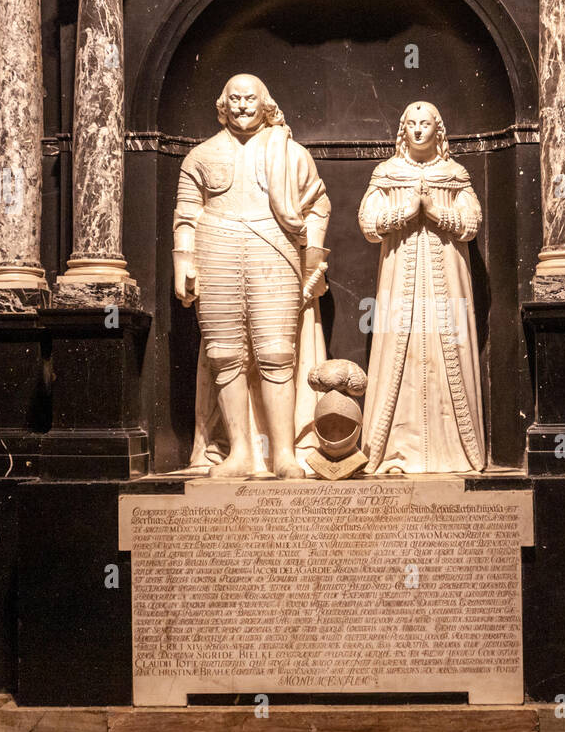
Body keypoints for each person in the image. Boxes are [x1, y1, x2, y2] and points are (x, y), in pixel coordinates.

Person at [173, 73, 330, 478]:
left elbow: (318, 204)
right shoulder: (200, 156)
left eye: (250, 98)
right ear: (223, 104)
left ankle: (282, 453)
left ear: (265, 103)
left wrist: (312, 257)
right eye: (235, 99)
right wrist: (183, 261)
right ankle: (240, 452)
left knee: (277, 354)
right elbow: (187, 214)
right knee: (224, 353)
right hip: (216, 249)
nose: (242, 105)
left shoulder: (291, 153)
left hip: (273, 249)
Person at [358, 101, 485, 474]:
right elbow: (367, 223)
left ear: (437, 130)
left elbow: (472, 222)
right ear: (402, 130)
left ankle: (454, 452)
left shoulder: (454, 173)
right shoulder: (387, 172)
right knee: (402, 346)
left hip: (448, 277)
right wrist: (404, 212)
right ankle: (396, 448)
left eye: (424, 124)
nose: (417, 130)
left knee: (448, 350)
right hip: (399, 281)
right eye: (411, 124)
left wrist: (434, 212)